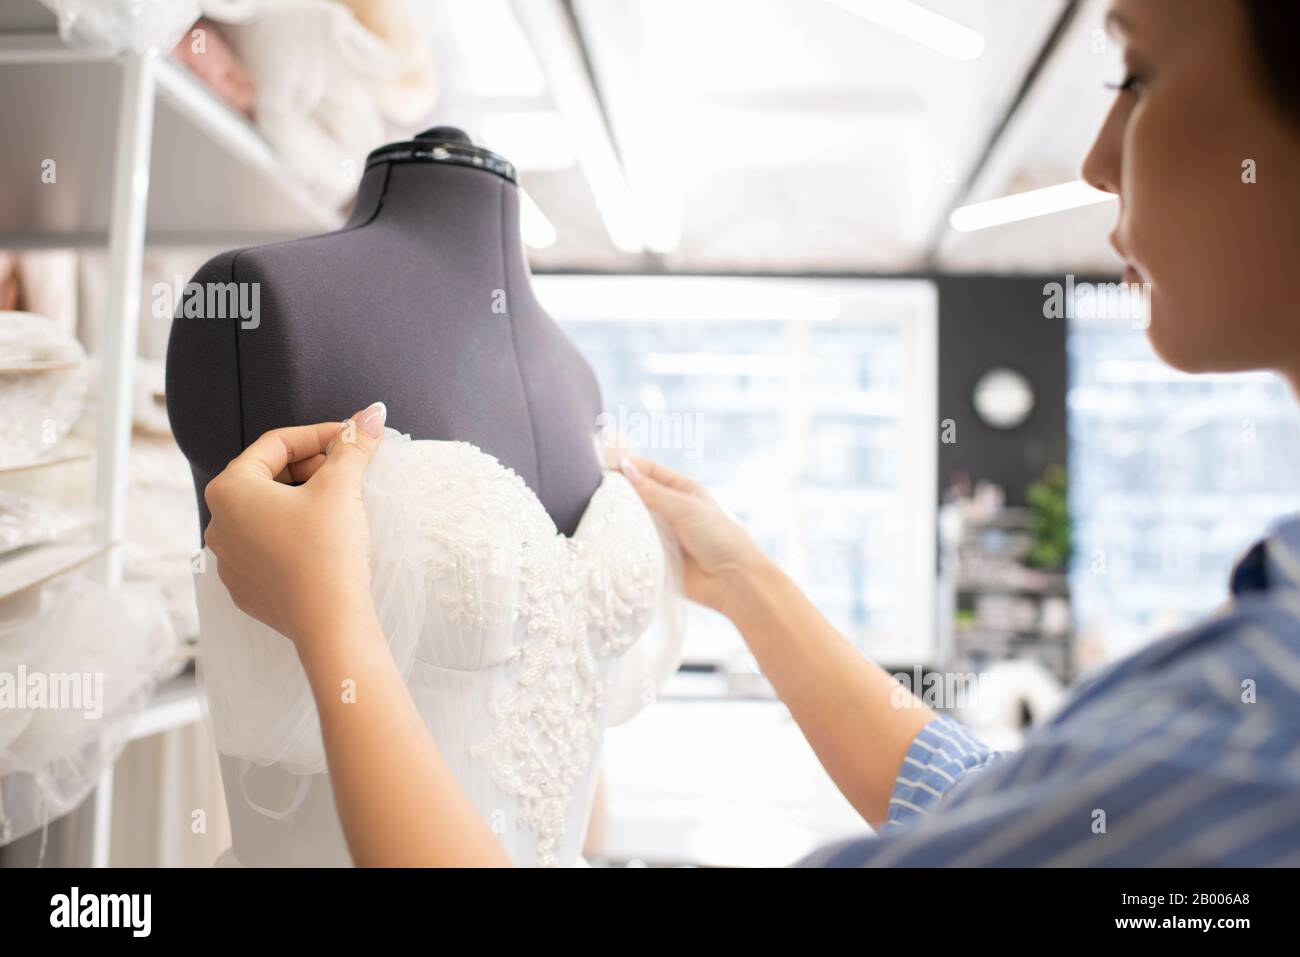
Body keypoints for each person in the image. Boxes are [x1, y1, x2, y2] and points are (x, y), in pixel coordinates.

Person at [199, 0, 1300, 867]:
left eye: (1138, 72)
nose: (1100, 156)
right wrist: (747, 580)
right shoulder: (275, 306)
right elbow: (990, 813)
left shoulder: (1258, 721)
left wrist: (333, 619)